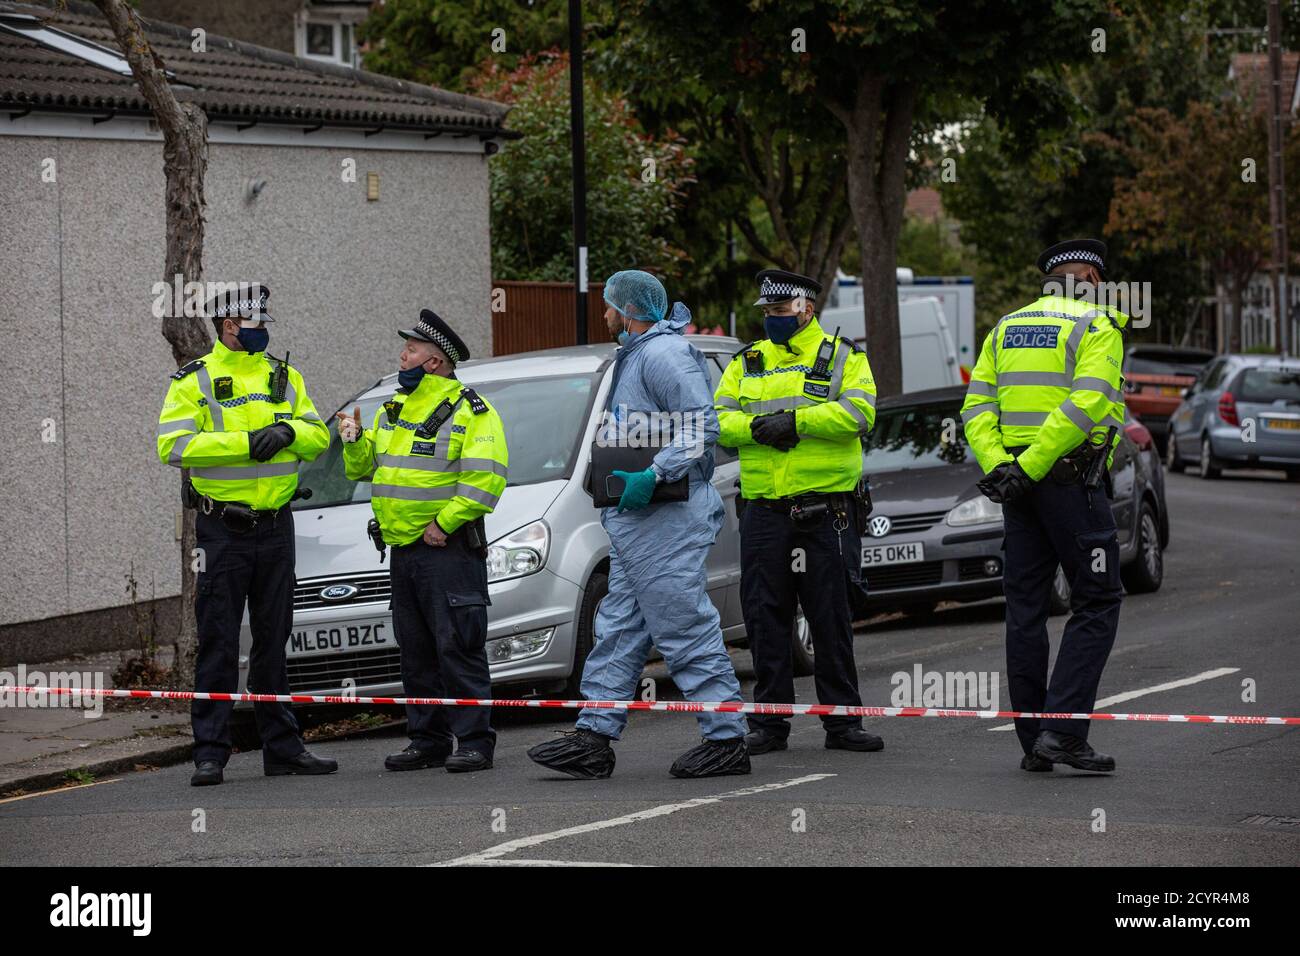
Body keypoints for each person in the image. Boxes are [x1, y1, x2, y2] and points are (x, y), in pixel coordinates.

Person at [527, 270, 751, 779]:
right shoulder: (640, 354)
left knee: (682, 623)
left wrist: (654, 474)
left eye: (608, 306)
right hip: (641, 525)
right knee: (619, 627)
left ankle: (726, 738)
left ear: (628, 311)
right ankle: (594, 734)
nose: (604, 315)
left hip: (666, 521)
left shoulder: (663, 354)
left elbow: (702, 424)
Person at [157, 284, 336, 786]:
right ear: (230, 326)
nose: (266, 331)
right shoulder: (194, 380)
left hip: (277, 527)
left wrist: (289, 434)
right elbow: (172, 446)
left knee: (273, 640)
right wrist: (245, 444)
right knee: (217, 640)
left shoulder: (283, 374)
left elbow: (319, 435)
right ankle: (210, 753)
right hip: (223, 530)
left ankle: (282, 748)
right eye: (258, 324)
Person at [960, 238, 1128, 773]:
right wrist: (1031, 466)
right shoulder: (1096, 326)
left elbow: (976, 406)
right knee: (1098, 600)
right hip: (1069, 485)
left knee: (1025, 610)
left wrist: (1004, 468)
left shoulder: (1004, 329)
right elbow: (1087, 403)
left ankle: (1034, 741)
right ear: (1095, 280)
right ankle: (1062, 734)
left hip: (1018, 490)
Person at [713, 269, 881, 755]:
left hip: (826, 510)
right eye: (766, 312)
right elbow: (720, 423)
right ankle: (769, 725)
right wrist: (761, 428)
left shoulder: (844, 356)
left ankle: (843, 723)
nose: (772, 319)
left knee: (830, 615)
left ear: (806, 308)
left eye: (780, 311)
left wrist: (795, 423)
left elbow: (859, 414)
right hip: (765, 510)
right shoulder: (747, 361)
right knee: (765, 617)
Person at [340, 310, 508, 773]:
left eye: (411, 350)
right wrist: (353, 440)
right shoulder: (393, 410)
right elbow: (361, 470)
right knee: (415, 651)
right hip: (404, 551)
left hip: (447, 551)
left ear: (434, 361)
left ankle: (474, 741)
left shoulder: (469, 409)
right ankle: (427, 739)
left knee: (458, 647)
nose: (402, 356)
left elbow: (486, 479)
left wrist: (445, 524)